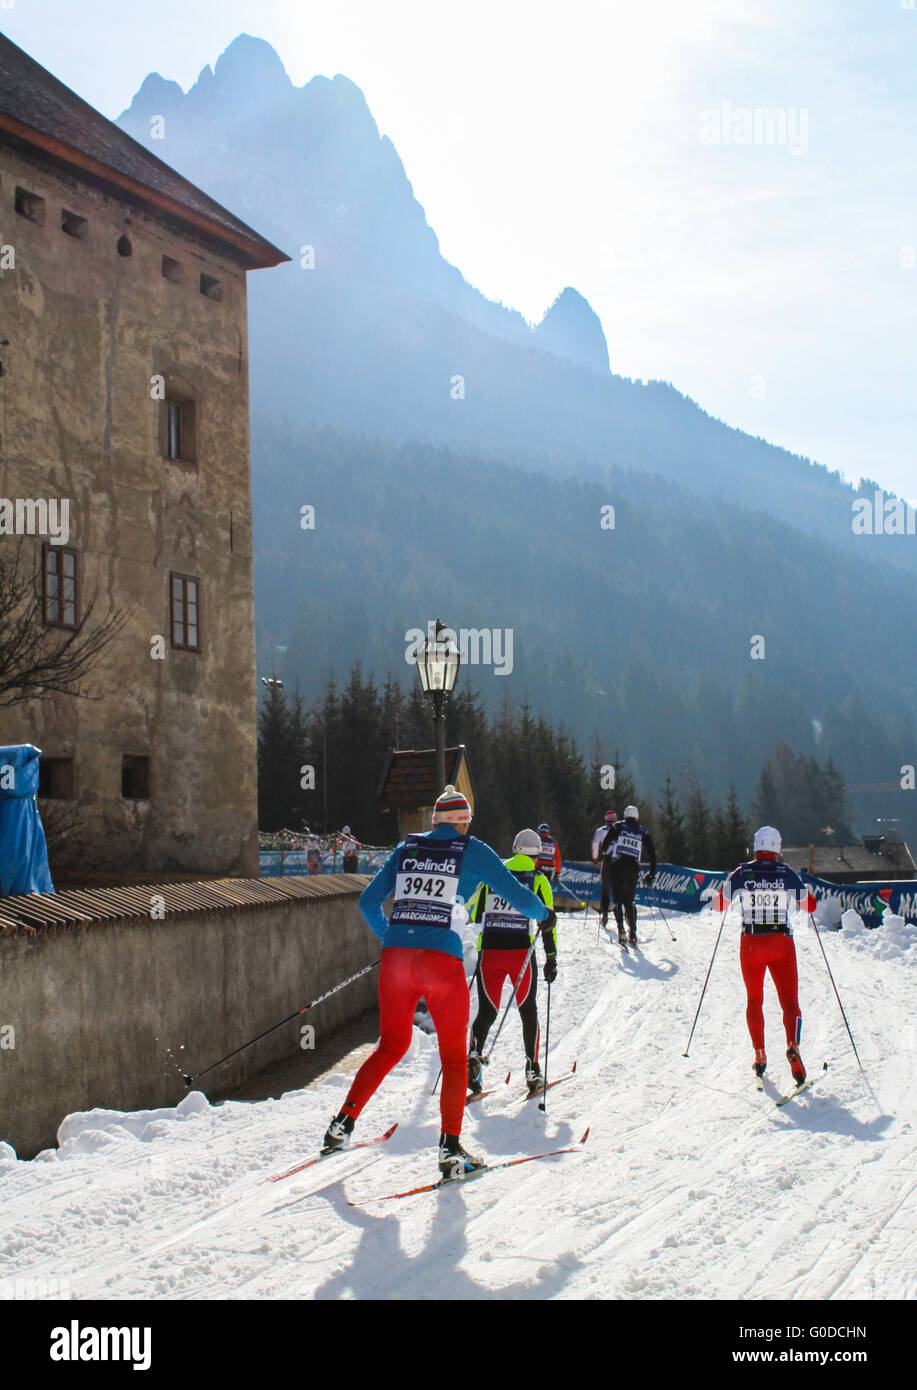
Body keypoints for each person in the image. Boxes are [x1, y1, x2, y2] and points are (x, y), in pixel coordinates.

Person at [321, 786, 556, 1180]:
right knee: (452, 1057)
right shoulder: (473, 850)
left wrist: (393, 936)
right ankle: (449, 1150)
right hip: (441, 963)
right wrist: (544, 914)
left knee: (390, 1046)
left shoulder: (406, 849)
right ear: (463, 822)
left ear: (433, 821)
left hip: (396, 962)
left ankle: (341, 1125)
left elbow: (367, 902)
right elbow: (516, 893)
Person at [715, 825, 817, 1086]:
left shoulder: (742, 872)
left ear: (756, 846)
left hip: (751, 943)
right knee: (790, 1003)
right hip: (782, 942)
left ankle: (760, 1055)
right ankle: (793, 1045)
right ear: (777, 848)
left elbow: (719, 905)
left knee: (754, 1001)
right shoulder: (786, 873)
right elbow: (810, 905)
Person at [466, 828, 557, 1096]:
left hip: (490, 951)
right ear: (537, 854)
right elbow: (547, 923)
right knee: (528, 1011)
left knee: (486, 1011)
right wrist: (551, 958)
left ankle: (473, 1061)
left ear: (515, 847)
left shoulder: (494, 874)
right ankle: (532, 1070)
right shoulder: (538, 879)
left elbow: (474, 912)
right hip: (520, 953)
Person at [599, 804, 657, 946]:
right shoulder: (642, 830)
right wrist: (651, 873)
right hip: (633, 868)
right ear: (637, 816)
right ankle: (633, 933)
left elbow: (605, 843)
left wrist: (604, 851)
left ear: (625, 815)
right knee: (629, 900)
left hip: (617, 865)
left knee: (618, 900)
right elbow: (652, 853)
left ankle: (621, 930)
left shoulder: (618, 826)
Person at [592, 809, 618, 921]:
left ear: (606, 820)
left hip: (607, 859)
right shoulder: (621, 829)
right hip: (619, 859)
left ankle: (605, 914)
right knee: (618, 888)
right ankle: (620, 911)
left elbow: (595, 843)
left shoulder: (600, 830)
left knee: (605, 888)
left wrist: (595, 858)